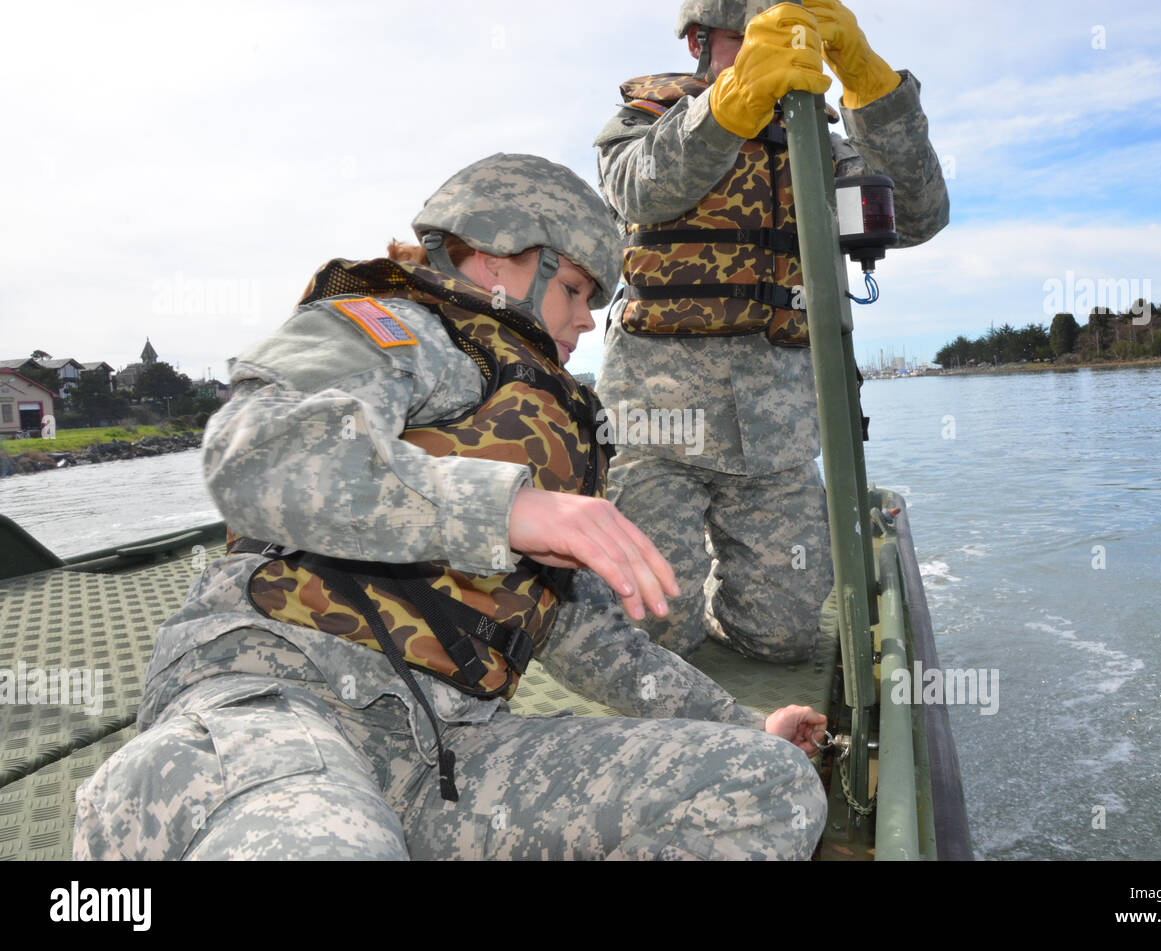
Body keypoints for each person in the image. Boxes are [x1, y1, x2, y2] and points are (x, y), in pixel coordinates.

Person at [72, 153, 829, 861]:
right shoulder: (399, 330)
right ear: (498, 258)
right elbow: (255, 453)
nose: (587, 319)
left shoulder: (540, 416)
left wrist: (743, 725)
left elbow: (594, 640)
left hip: (448, 748)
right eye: (574, 289)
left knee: (773, 789)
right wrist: (507, 511)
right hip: (286, 697)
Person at [594, 0, 949, 663]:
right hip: (655, 424)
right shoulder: (648, 118)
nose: (782, 49)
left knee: (784, 637)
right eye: (751, 37)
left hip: (775, 430)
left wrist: (871, 84)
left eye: (794, 37)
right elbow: (637, 190)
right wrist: (731, 105)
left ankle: (720, 586)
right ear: (702, 41)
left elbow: (923, 213)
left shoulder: (815, 143)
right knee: (650, 636)